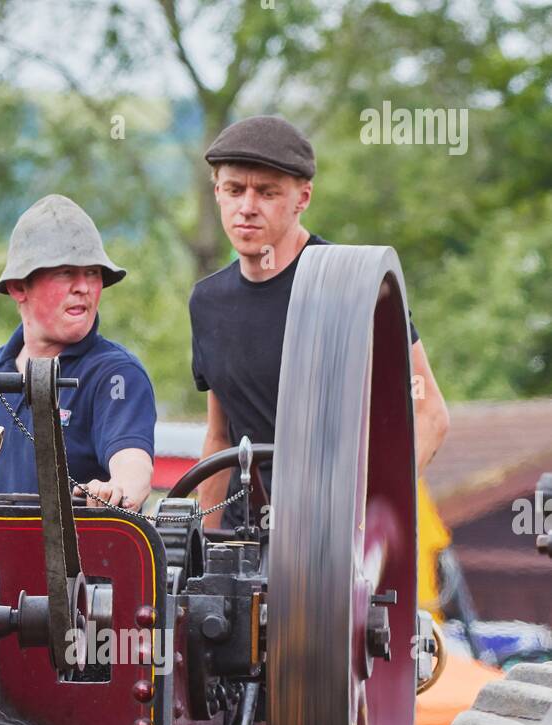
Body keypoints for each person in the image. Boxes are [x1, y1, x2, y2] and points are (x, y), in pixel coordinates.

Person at [189, 115, 450, 528]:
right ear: (217, 192)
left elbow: (429, 413)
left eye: (267, 192)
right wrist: (203, 545)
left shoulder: (352, 285)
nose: (247, 207)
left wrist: (360, 515)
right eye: (234, 190)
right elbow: (220, 437)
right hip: (246, 546)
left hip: (334, 546)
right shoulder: (208, 302)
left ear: (303, 197)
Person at [0, 195, 154, 511]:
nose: (84, 287)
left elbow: (134, 465)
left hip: (87, 559)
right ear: (18, 287)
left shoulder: (116, 373)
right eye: (65, 272)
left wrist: (115, 491)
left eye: (92, 272)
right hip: (3, 558)